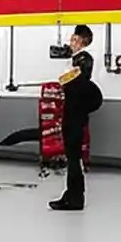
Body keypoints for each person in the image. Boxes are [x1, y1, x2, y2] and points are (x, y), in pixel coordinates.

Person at [50, 24, 102, 211]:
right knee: (72, 157)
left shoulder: (84, 59)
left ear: (83, 42)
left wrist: (65, 79)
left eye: (74, 39)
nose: (71, 43)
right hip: (71, 113)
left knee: (74, 158)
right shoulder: (74, 60)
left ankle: (75, 198)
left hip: (75, 116)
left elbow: (76, 81)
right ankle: (72, 193)